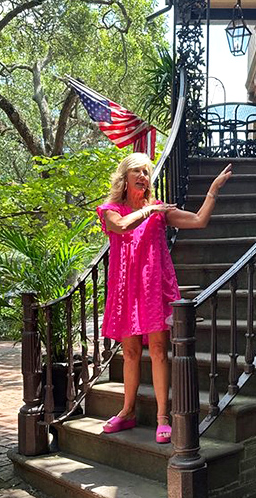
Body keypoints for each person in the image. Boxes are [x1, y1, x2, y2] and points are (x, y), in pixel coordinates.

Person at [96, 153, 232, 443]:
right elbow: (121, 226)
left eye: (147, 172)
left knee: (158, 350)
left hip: (153, 288)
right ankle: (127, 411)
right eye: (138, 172)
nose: (144, 177)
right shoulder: (111, 209)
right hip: (126, 289)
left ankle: (162, 417)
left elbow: (198, 220)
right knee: (130, 352)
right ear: (126, 177)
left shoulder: (158, 209)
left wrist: (212, 191)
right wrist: (147, 212)